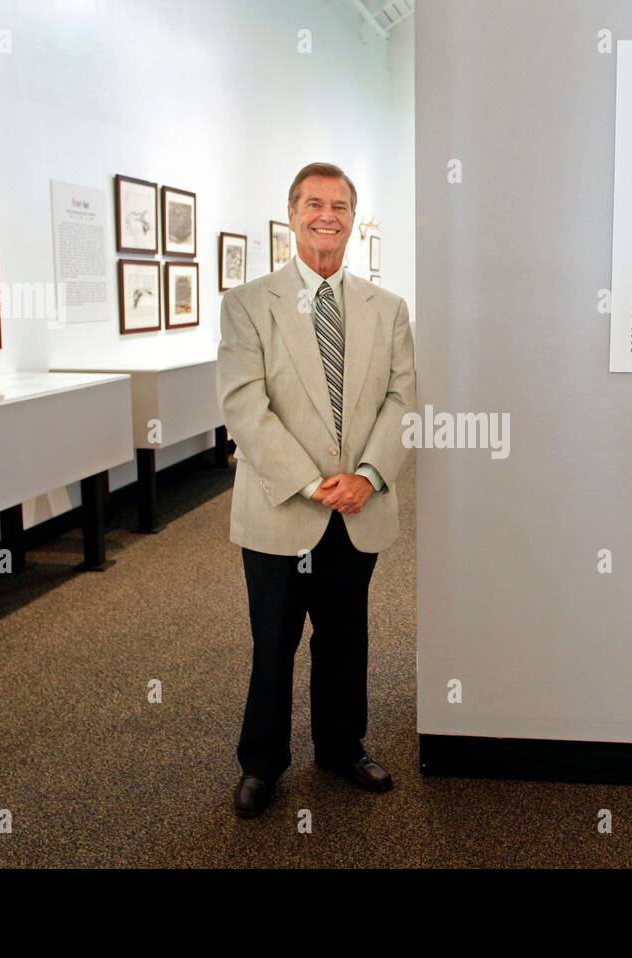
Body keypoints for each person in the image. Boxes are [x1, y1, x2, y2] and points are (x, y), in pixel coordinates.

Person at [216, 162, 416, 819]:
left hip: (359, 507)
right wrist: (312, 482)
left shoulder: (387, 310)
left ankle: (340, 746)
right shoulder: (248, 305)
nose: (325, 215)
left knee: (345, 636)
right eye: (312, 204)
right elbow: (246, 407)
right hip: (281, 506)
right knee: (273, 641)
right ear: (293, 214)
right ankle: (261, 764)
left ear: (353, 220)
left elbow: (401, 399)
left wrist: (368, 476)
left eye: (338, 205)